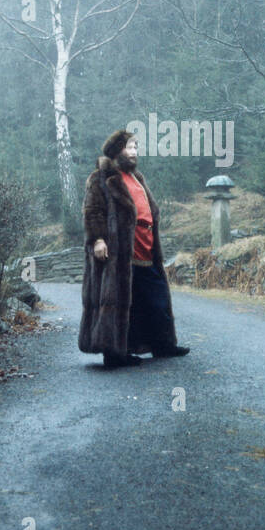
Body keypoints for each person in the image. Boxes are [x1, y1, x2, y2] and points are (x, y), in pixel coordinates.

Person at [78, 129, 190, 368]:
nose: (134, 152)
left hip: (146, 248)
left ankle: (163, 345)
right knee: (118, 302)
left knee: (155, 299)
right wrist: (98, 240)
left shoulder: (138, 178)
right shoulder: (100, 178)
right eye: (130, 147)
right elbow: (92, 211)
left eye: (135, 148)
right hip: (118, 252)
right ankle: (115, 353)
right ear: (117, 150)